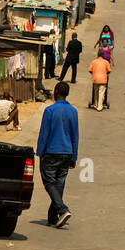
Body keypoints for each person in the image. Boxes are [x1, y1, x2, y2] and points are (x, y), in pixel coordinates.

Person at [36, 81, 79, 228]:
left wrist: (39, 152)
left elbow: (44, 134)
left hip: (51, 152)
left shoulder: (50, 111)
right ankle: (53, 218)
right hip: (67, 152)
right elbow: (75, 136)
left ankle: (62, 209)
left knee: (49, 182)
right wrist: (74, 156)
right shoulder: (73, 111)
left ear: (55, 92)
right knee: (59, 185)